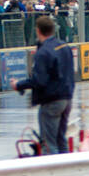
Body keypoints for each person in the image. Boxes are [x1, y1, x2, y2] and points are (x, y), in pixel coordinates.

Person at [14, 15, 77, 155]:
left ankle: (53, 170)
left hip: (52, 100)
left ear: (38, 30)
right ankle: (67, 167)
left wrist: (19, 85)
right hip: (67, 97)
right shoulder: (64, 46)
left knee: (49, 143)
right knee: (61, 139)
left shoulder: (43, 53)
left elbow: (39, 80)